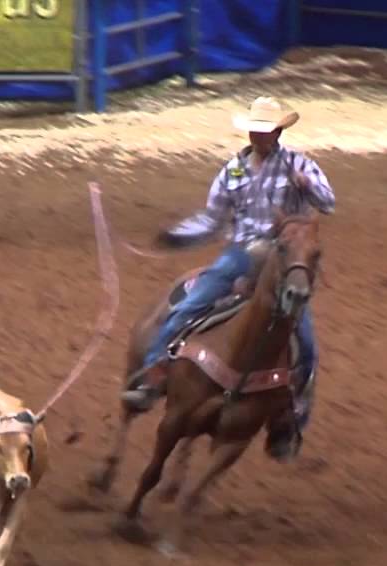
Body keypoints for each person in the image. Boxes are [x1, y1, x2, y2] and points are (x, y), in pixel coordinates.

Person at [121, 96, 335, 461]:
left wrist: (307, 185)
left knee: (306, 344)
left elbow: (327, 201)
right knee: (187, 307)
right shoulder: (233, 170)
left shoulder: (299, 164)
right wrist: (178, 235)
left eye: (265, 130)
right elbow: (213, 218)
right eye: (255, 129)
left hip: (284, 258)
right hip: (240, 254)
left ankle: (290, 421)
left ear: (278, 132)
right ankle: (153, 377)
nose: (258, 136)